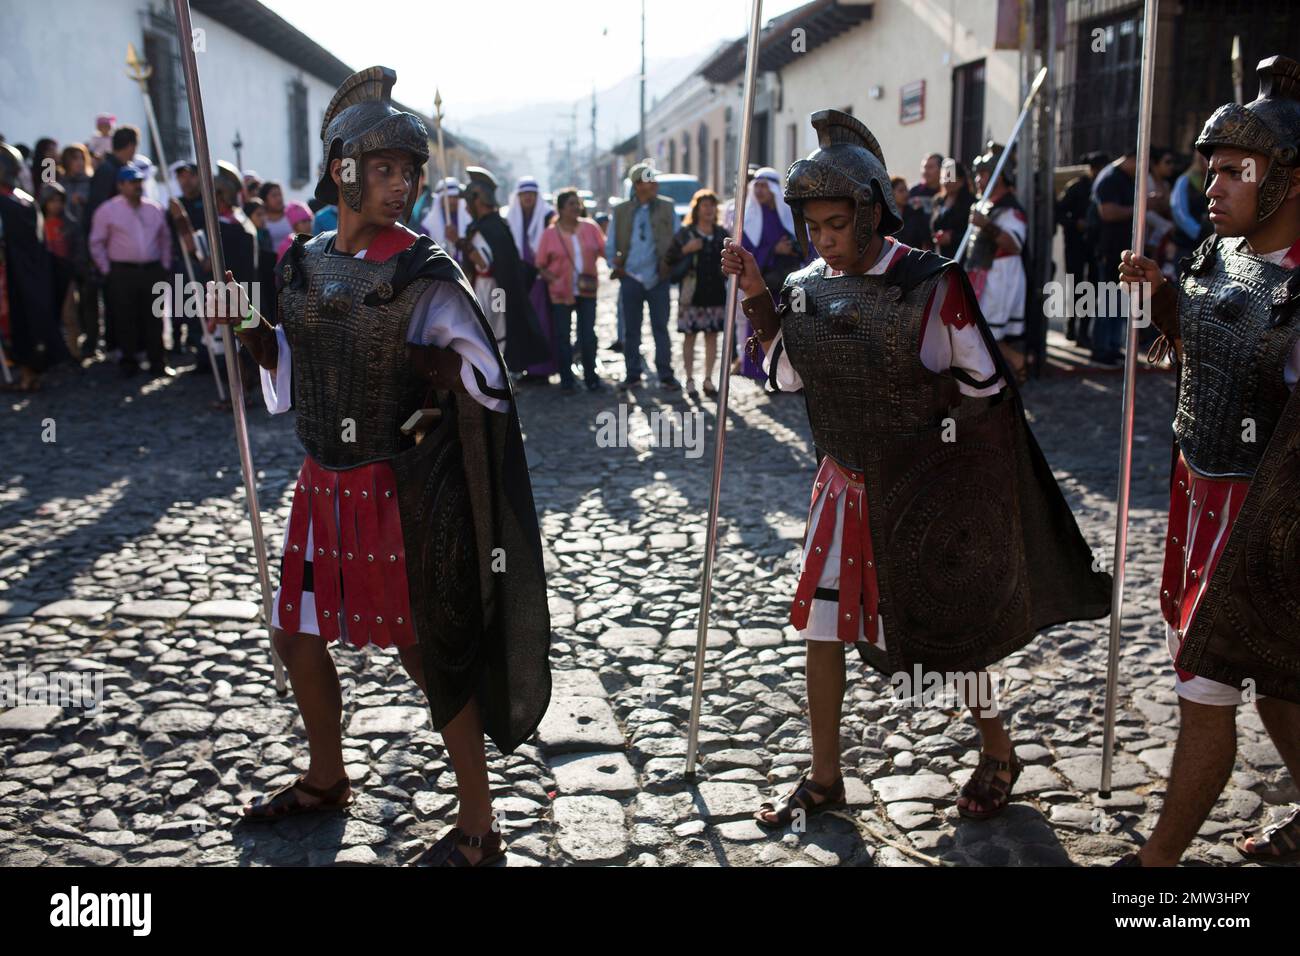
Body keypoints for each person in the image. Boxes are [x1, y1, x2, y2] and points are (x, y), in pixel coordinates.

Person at [722, 109, 1110, 829]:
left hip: (923, 490)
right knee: (824, 628)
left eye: (836, 225)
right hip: (843, 484)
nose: (824, 240)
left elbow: (989, 389)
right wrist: (756, 297)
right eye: (813, 227)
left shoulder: (932, 285)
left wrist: (940, 456)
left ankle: (997, 750)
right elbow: (786, 379)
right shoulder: (805, 286)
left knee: (943, 634)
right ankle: (825, 775)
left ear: (871, 215)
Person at [214, 66, 550, 867]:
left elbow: (491, 385)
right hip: (319, 484)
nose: (402, 185)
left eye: (410, 171)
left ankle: (477, 825)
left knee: (425, 653)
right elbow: (288, 367)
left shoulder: (424, 274)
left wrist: (434, 372)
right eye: (387, 169)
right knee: (294, 637)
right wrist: (251, 326)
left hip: (393, 493)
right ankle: (327, 777)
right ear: (344, 171)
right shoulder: (300, 262)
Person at [1114, 54, 1300, 868]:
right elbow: (1197, 349)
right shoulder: (1214, 255)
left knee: (1210, 690)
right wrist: (1161, 294)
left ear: (1286, 182)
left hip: (1266, 524)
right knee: (1281, 686)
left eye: (1235, 172)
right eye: (1211, 170)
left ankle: (1155, 871)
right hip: (1202, 492)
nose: (1212, 187)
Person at [458, 166, 550, 373]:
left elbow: (484, 264)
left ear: (478, 200)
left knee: (492, 330)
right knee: (495, 329)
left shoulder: (486, 228)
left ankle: (498, 375)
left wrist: (461, 243)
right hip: (495, 288)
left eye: (468, 202)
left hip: (492, 290)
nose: (465, 208)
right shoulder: (497, 225)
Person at [88, 162, 172, 377]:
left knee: (154, 317)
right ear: (121, 185)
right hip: (122, 271)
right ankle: (129, 360)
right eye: (132, 182)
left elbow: (164, 239)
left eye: (139, 182)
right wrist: (107, 269)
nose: (137, 186)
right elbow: (96, 242)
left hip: (151, 270)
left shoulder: (153, 208)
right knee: (125, 317)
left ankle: (157, 361)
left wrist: (164, 264)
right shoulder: (108, 210)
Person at [607, 159, 680, 390]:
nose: (654, 184)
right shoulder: (620, 211)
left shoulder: (667, 207)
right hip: (630, 276)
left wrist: (669, 264)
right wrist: (615, 263)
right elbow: (610, 245)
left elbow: (677, 240)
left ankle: (665, 373)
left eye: (654, 180)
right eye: (649, 181)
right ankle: (633, 373)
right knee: (631, 329)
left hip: (658, 276)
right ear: (637, 185)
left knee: (661, 327)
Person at [0, 143, 67, 391]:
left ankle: (28, 373)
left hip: (15, 274)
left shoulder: (15, 201)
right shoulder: (23, 199)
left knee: (22, 324)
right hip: (22, 272)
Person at [963, 141, 1029, 381]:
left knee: (986, 331)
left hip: (1001, 275)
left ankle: (1015, 361)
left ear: (999, 177)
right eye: (978, 173)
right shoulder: (984, 205)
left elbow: (1014, 244)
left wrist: (986, 225)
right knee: (978, 329)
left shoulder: (1010, 209)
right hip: (983, 274)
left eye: (984, 174)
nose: (979, 179)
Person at [535, 187, 606, 392]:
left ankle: (591, 376)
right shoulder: (550, 234)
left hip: (587, 290)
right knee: (562, 337)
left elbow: (604, 250)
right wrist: (553, 279)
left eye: (578, 203)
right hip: (560, 292)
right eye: (571, 204)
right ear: (561, 209)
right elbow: (540, 263)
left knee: (587, 335)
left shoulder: (591, 228)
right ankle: (567, 379)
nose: (576, 207)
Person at [737, 166, 802, 381]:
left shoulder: (789, 215)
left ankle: (790, 376)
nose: (760, 191)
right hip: (762, 284)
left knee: (790, 330)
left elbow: (805, 244)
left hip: (789, 284)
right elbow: (746, 251)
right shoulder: (751, 217)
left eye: (765, 186)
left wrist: (792, 249)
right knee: (762, 327)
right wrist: (773, 250)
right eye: (757, 186)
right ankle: (763, 373)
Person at [665, 188, 729, 399]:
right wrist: (687, 250)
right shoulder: (685, 234)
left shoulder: (721, 234)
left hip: (715, 292)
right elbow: (669, 260)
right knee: (689, 336)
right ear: (697, 209)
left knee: (712, 336)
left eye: (712, 205)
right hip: (691, 293)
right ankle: (689, 379)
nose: (709, 210)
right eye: (705, 206)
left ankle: (709, 378)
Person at [507, 176, 559, 381]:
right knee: (523, 324)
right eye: (524, 194)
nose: (527, 198)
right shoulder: (511, 217)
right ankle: (526, 367)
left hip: (541, 279)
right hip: (520, 279)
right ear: (518, 197)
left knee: (543, 323)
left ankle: (542, 370)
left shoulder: (548, 217)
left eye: (531, 194)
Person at [1089, 150, 1138, 366]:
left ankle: (1112, 345)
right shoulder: (1110, 178)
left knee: (1119, 300)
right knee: (1108, 299)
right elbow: (1107, 212)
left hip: (1120, 250)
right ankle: (1102, 347)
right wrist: (1138, 208)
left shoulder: (1124, 178)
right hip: (1110, 250)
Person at [1055, 151, 1108, 344]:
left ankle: (1084, 330)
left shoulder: (1104, 187)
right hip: (1076, 243)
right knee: (1075, 286)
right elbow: (1060, 212)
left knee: (1092, 288)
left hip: (1094, 245)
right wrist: (1075, 223)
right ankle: (1072, 325)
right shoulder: (1077, 187)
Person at [58, 144, 98, 356]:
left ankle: (92, 340)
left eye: (82, 159)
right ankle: (72, 344)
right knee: (68, 301)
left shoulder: (91, 183)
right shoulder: (59, 184)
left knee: (90, 296)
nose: (79, 163)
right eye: (74, 159)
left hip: (89, 247)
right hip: (67, 249)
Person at [1170, 148, 1211, 262]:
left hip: (1209, 244)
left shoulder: (1213, 180)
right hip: (1188, 245)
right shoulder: (1185, 180)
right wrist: (1198, 232)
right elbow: (1179, 212)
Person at [930, 157, 975, 260]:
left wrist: (952, 238)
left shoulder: (970, 203)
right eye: (944, 177)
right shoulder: (938, 201)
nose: (946, 182)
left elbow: (972, 232)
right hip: (941, 256)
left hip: (962, 257)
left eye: (950, 177)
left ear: (961, 181)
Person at [259, 181, 293, 250]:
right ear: (264, 199)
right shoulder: (260, 220)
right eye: (274, 195)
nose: (279, 198)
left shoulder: (291, 215)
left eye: (280, 194)